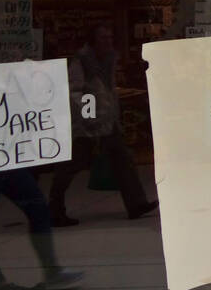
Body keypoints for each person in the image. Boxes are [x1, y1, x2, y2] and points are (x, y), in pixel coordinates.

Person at [49, 23, 158, 226]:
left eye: (109, 37)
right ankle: (54, 208)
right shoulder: (81, 62)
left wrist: (112, 117)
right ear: (93, 41)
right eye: (103, 38)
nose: (108, 41)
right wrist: (89, 118)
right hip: (87, 127)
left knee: (123, 160)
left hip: (107, 122)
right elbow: (76, 93)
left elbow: (108, 91)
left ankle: (136, 203)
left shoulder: (109, 59)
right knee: (72, 166)